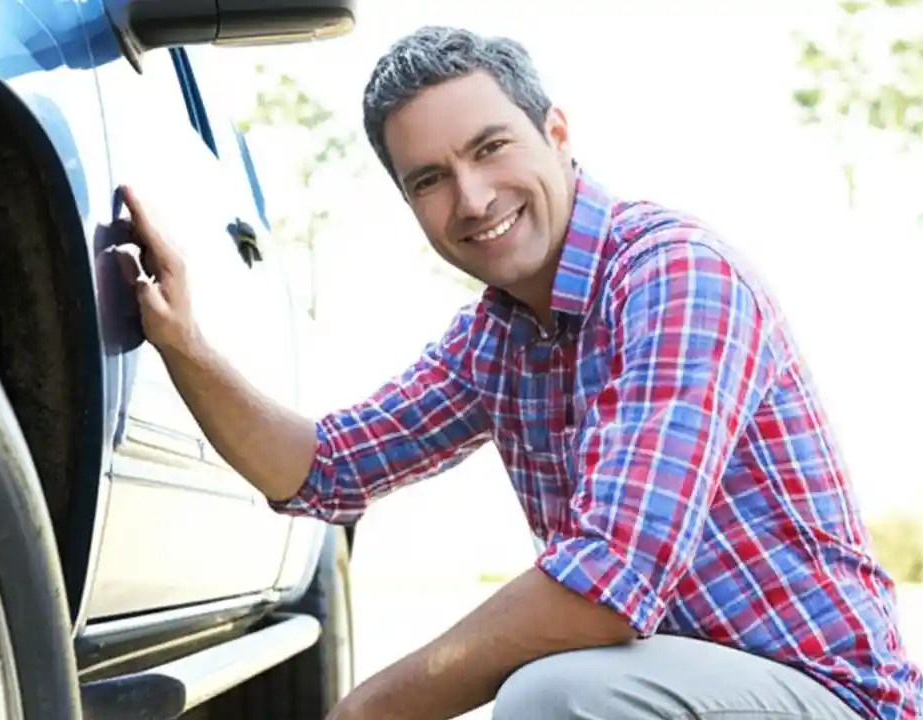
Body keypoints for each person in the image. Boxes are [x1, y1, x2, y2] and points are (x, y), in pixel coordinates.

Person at [112, 25, 922, 720]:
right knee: (562, 691)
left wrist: (372, 706)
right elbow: (322, 468)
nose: (470, 198)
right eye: (428, 179)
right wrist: (183, 341)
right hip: (686, 687)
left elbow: (609, 576)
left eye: (490, 147)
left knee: (556, 699)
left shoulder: (674, 275)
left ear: (558, 134)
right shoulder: (495, 341)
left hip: (831, 695)